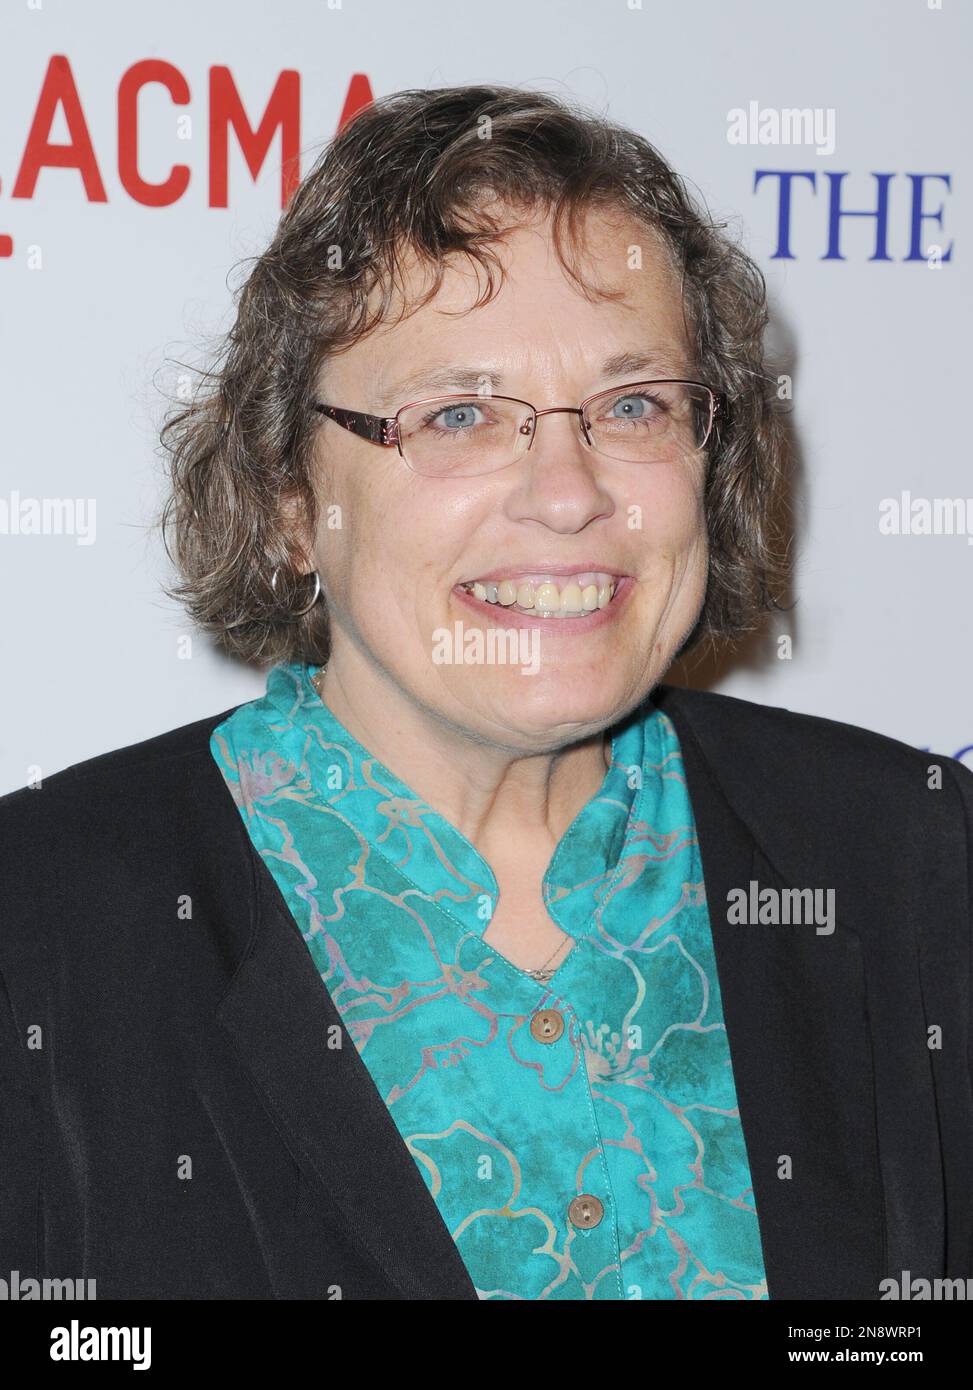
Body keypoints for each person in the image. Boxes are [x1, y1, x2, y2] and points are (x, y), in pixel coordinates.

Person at [1, 84, 970, 1302]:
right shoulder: (41, 924)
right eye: (457, 414)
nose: (566, 492)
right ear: (289, 497)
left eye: (632, 406)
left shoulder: (914, 859)